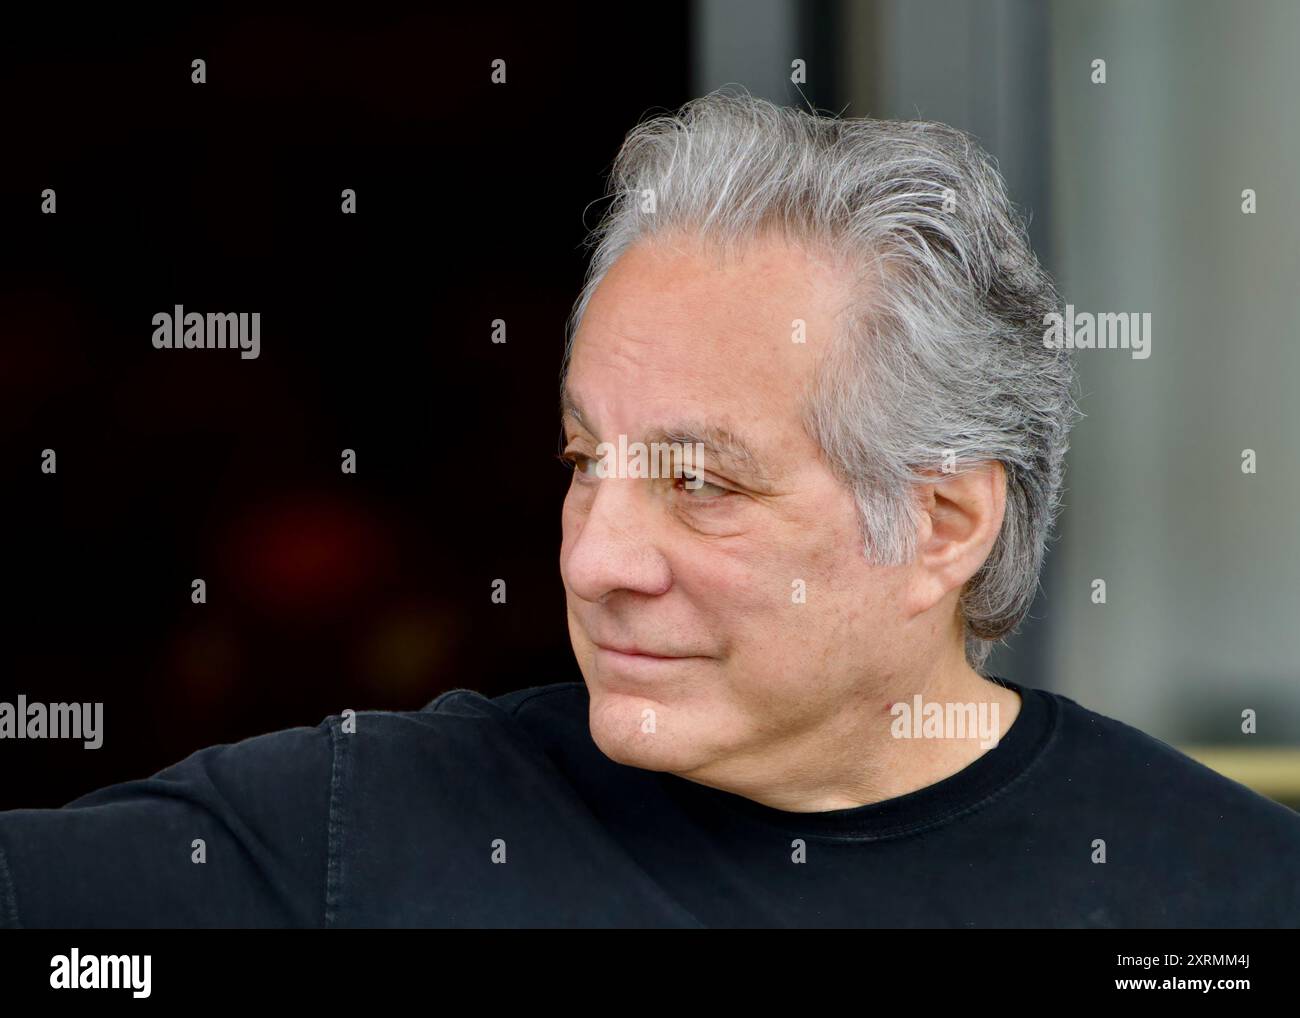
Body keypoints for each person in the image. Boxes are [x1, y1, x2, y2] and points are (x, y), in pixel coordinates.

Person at [2, 91, 1297, 928]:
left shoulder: (1222, 898)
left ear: (945, 522)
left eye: (699, 481)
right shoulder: (371, 828)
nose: (596, 556)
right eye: (584, 460)